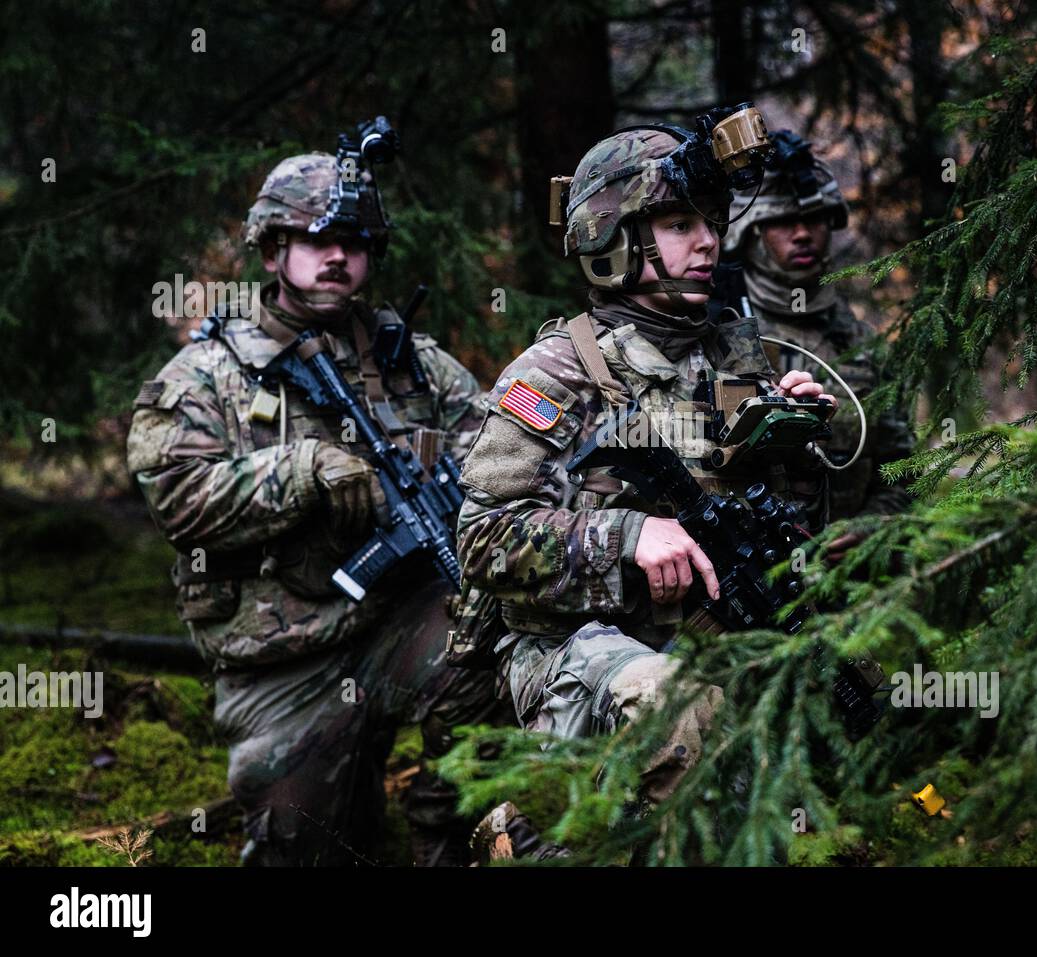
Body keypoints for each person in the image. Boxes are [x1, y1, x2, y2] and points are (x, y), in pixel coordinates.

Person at [454, 121, 837, 858]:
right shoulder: (555, 372)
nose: (707, 244)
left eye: (711, 224)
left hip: (715, 634)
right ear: (614, 239)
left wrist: (790, 435)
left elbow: (768, 526)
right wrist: (625, 537)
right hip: (580, 652)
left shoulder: (733, 351)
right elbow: (481, 539)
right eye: (678, 224)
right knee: (677, 706)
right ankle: (531, 832)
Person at [126, 151, 507, 866]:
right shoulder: (209, 372)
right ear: (273, 249)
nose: (338, 256)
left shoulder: (414, 364)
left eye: (356, 242)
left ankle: (451, 833)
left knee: (489, 645)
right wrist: (300, 469)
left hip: (404, 621)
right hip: (282, 658)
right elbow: (176, 496)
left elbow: (501, 457)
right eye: (317, 239)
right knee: (307, 842)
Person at [720, 131, 913, 554]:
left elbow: (903, 469)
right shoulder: (719, 333)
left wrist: (872, 527)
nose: (803, 234)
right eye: (783, 223)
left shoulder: (859, 343)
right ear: (751, 232)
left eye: (815, 220)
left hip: (850, 580)